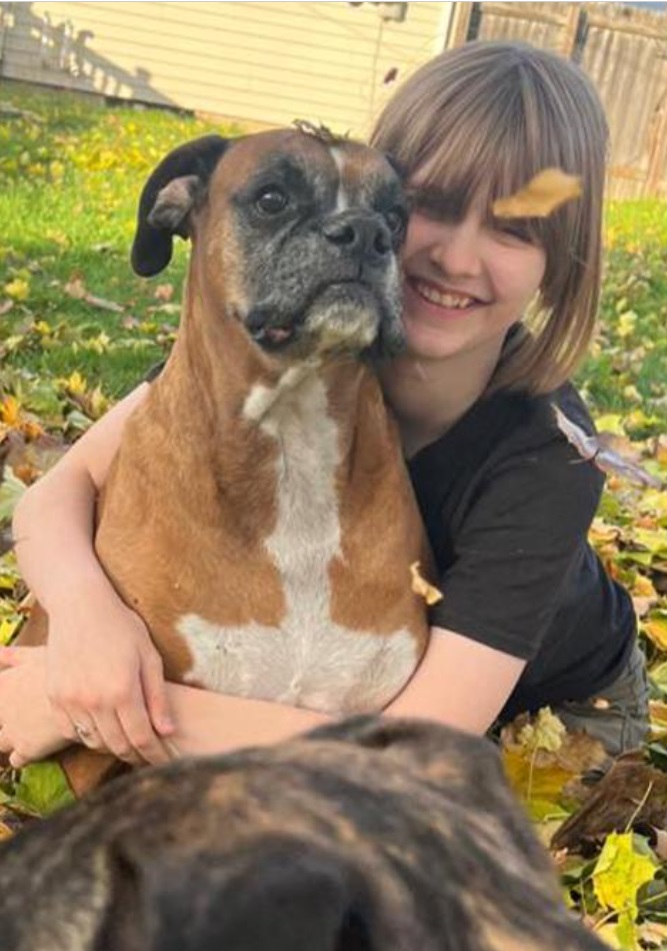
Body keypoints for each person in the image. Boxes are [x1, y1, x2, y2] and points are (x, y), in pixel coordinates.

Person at [0, 41, 648, 772]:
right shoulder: (291, 352)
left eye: (514, 229)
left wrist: (84, 703)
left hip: (559, 702)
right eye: (428, 208)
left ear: (558, 261)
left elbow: (408, 752)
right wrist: (88, 621)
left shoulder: (549, 458)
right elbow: (55, 494)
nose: (458, 258)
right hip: (381, 682)